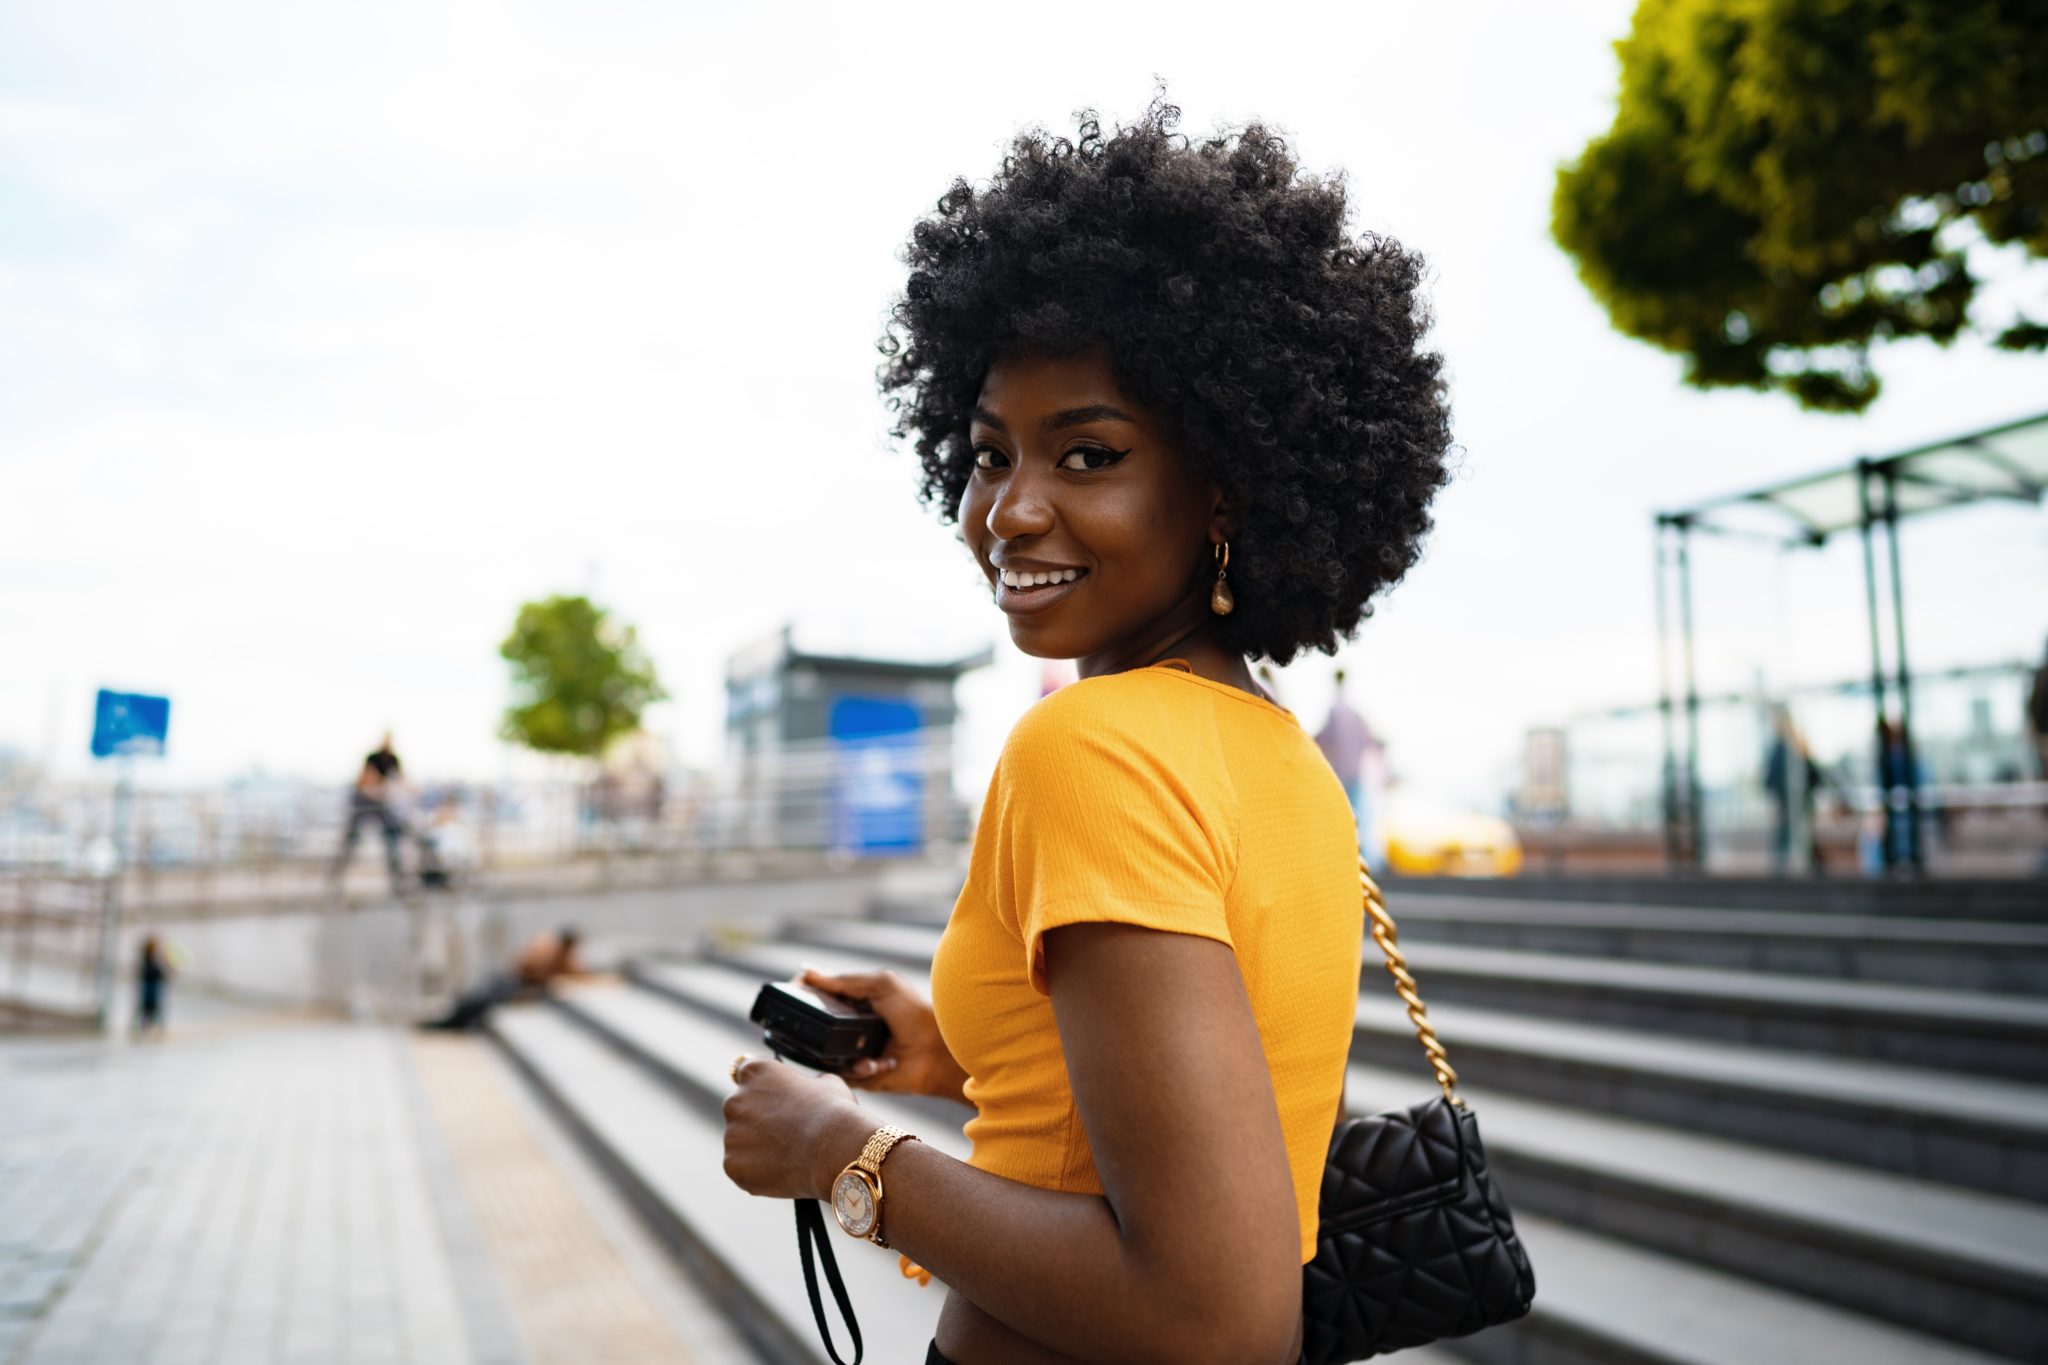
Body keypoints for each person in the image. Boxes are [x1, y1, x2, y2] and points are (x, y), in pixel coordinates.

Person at [721, 101, 1451, 1365]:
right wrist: (957, 1055)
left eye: (1087, 454)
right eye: (988, 454)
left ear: (1226, 481)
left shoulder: (1090, 748)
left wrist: (841, 1154)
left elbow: (1211, 1319)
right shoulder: (1279, 753)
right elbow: (1208, 1115)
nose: (1008, 510)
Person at [420, 926, 586, 1031]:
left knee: (483, 1000)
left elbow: (575, 973)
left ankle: (455, 1022)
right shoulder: (546, 946)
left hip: (521, 985)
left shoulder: (565, 956)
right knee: (477, 997)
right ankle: (451, 1021)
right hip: (514, 979)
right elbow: (525, 964)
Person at [1317, 668, 1388, 871]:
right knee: (1358, 819)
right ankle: (1362, 863)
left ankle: (1348, 863)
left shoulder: (1334, 711)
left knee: (1343, 819)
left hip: (1340, 774)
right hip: (1354, 772)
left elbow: (1325, 741)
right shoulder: (1354, 712)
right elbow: (1369, 741)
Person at [331, 733, 407, 893]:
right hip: (363, 801)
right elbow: (363, 782)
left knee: (392, 836)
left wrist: (388, 791)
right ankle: (336, 878)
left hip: (381, 802)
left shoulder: (394, 759)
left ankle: (397, 882)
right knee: (351, 840)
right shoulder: (372, 758)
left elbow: (400, 780)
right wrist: (381, 790)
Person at [1762, 705, 1825, 876]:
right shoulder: (1797, 745)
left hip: (1795, 805)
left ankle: (1787, 875)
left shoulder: (1786, 747)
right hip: (1796, 804)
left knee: (1790, 840)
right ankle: (1811, 872)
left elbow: (1769, 781)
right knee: (1796, 839)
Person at [134, 935, 171, 1040]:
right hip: (150, 988)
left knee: (150, 1009)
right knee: (150, 1008)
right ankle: (151, 1028)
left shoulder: (150, 959)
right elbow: (155, 973)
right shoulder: (149, 960)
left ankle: (150, 1028)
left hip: (150, 988)